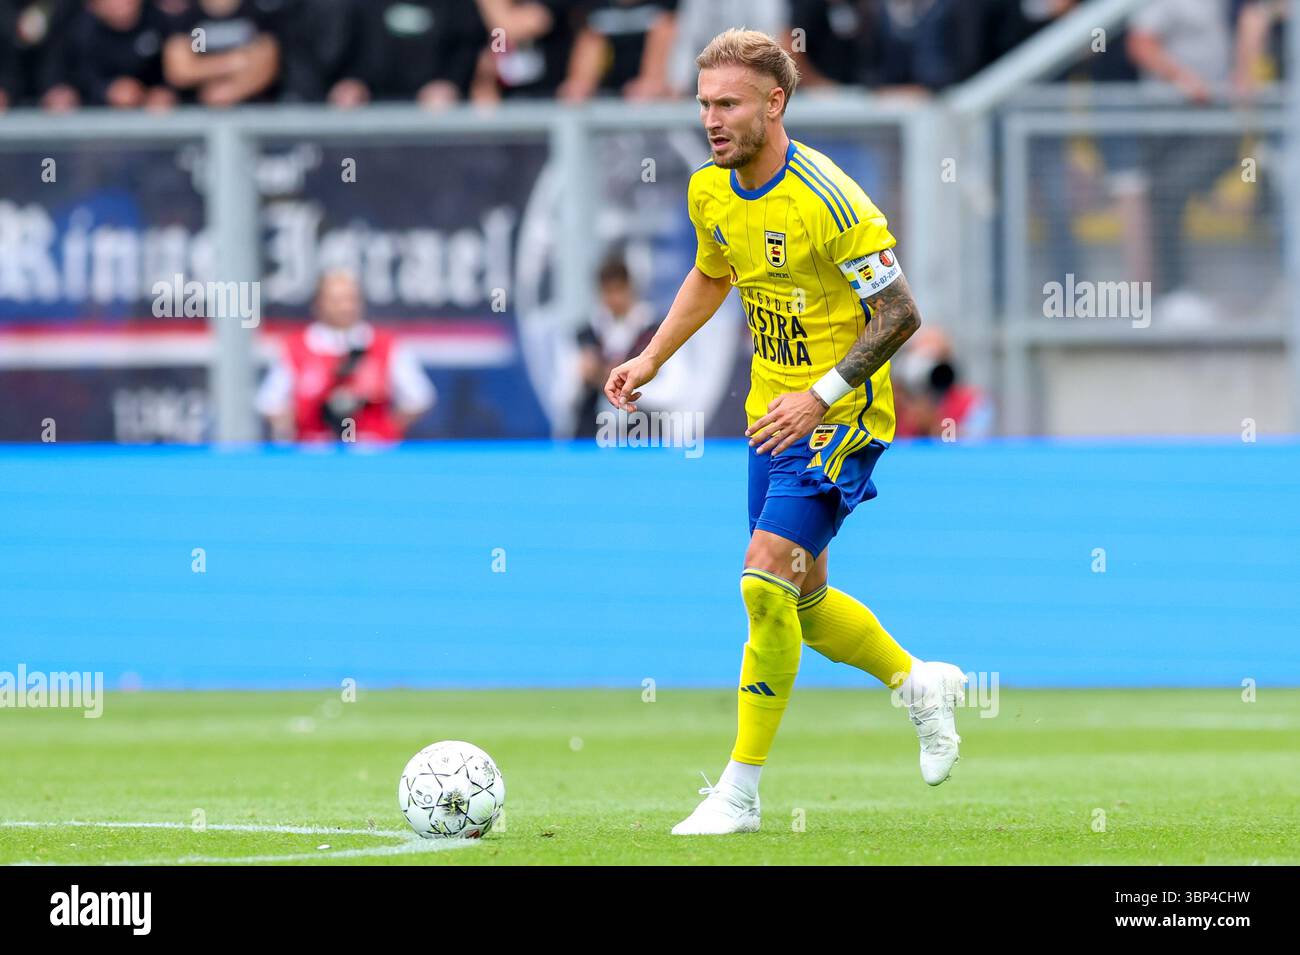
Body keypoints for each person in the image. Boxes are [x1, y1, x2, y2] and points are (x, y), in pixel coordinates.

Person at [604, 28, 966, 836]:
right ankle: (918, 685)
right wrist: (653, 356)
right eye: (703, 104)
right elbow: (712, 272)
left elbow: (901, 313)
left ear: (776, 101)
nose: (712, 119)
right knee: (799, 603)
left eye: (728, 103)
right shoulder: (711, 191)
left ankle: (738, 792)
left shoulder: (831, 199)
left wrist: (822, 392)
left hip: (840, 414)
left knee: (761, 578)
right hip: (771, 416)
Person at [256, 271, 436, 443]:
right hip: (314, 453)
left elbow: (418, 397)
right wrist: (293, 427)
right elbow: (270, 402)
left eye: (350, 299)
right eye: (336, 300)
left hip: (370, 453)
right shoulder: (296, 348)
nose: (344, 307)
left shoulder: (384, 345)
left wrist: (385, 429)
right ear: (319, 303)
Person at [574, 256, 658, 438]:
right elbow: (565, 394)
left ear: (630, 289)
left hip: (643, 427)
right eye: (608, 292)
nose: (614, 299)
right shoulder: (587, 333)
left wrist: (628, 382)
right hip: (594, 429)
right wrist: (585, 374)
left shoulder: (655, 331)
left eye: (618, 290)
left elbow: (673, 389)